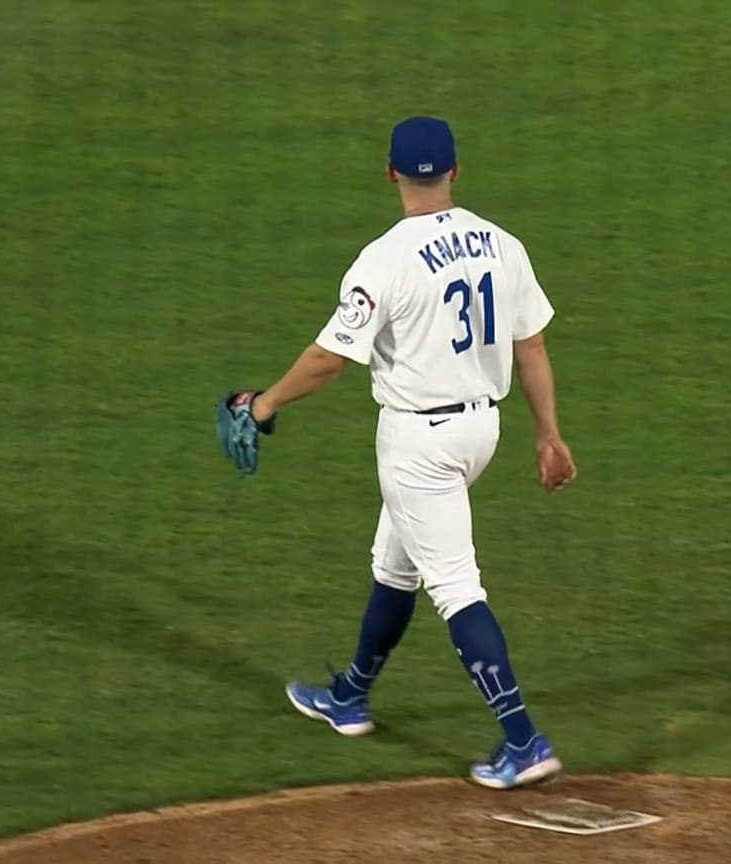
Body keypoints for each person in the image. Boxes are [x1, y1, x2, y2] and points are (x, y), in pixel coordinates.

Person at [215, 115, 577, 790]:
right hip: (481, 434)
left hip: (419, 445)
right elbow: (531, 346)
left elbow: (328, 360)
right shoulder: (503, 244)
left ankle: (523, 740)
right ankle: (350, 696)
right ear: (455, 172)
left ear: (390, 174)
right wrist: (549, 434)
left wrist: (261, 404)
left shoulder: (383, 259)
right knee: (395, 562)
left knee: (456, 589)